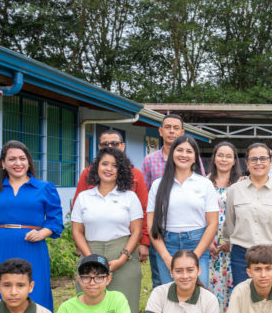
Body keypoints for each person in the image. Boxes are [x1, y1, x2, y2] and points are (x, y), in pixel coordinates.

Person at [0, 141, 63, 311]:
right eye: (11, 159)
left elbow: (55, 221)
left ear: (29, 162)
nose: (17, 163)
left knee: (35, 291)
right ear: (3, 164)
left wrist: (42, 233)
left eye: (22, 158)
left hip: (32, 247)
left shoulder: (45, 188)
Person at [70, 147, 143, 313]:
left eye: (114, 165)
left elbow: (136, 231)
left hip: (123, 255)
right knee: (89, 308)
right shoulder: (84, 197)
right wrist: (89, 258)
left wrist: (122, 258)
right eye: (104, 164)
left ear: (121, 170)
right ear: (96, 168)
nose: (109, 168)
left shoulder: (130, 197)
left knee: (125, 309)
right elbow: (77, 231)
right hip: (90, 252)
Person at [147, 134, 219, 288]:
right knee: (170, 294)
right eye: (179, 150)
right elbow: (151, 224)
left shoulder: (205, 184)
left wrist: (195, 255)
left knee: (199, 292)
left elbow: (213, 224)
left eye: (189, 151)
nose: (184, 155)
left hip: (197, 242)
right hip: (167, 244)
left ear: (195, 158)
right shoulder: (157, 185)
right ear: (172, 154)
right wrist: (166, 257)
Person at [72, 129, 150, 264]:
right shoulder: (88, 173)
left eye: (114, 143)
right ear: (99, 147)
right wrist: (80, 243)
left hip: (124, 242)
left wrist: (144, 242)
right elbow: (78, 210)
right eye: (105, 144)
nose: (110, 147)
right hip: (93, 242)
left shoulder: (135, 174)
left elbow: (143, 209)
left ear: (123, 146)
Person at [223, 143, 272, 286]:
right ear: (247, 163)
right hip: (241, 256)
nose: (258, 163)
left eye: (263, 159)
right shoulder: (234, 190)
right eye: (253, 159)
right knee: (243, 300)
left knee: (270, 303)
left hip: (271, 256)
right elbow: (230, 224)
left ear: (270, 161)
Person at [142, 114, 189, 287]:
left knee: (188, 274)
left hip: (188, 227)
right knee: (160, 277)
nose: (172, 131)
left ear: (182, 132)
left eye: (176, 128)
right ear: (160, 131)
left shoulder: (190, 158)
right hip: (160, 228)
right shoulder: (150, 161)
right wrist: (145, 238)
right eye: (168, 127)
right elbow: (145, 199)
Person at [207, 141, 243, 313]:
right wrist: (207, 242)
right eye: (220, 155)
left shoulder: (242, 183)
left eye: (229, 156)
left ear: (234, 160)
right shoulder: (204, 182)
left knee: (232, 287)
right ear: (214, 158)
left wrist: (231, 240)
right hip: (209, 244)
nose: (224, 159)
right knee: (211, 288)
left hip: (233, 245)